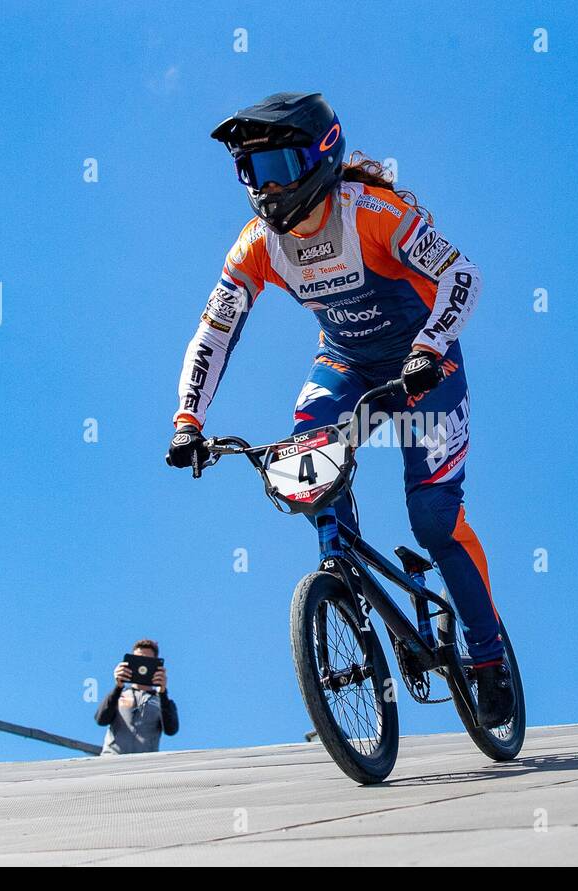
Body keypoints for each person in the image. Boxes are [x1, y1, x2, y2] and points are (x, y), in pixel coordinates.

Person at [166, 92, 513, 728]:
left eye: (277, 171)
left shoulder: (374, 214)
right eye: (252, 174)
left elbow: (463, 275)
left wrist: (431, 348)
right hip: (347, 364)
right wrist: (188, 419)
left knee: (433, 520)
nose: (265, 192)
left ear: (322, 157)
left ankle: (489, 657)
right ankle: (345, 578)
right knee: (306, 450)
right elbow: (214, 332)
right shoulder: (256, 245)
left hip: (422, 365)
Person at [95, 639, 179, 754]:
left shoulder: (162, 701)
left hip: (143, 765)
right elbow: (101, 719)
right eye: (138, 660)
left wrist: (163, 692)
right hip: (112, 761)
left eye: (147, 661)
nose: (142, 665)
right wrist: (118, 686)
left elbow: (171, 730)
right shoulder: (119, 695)